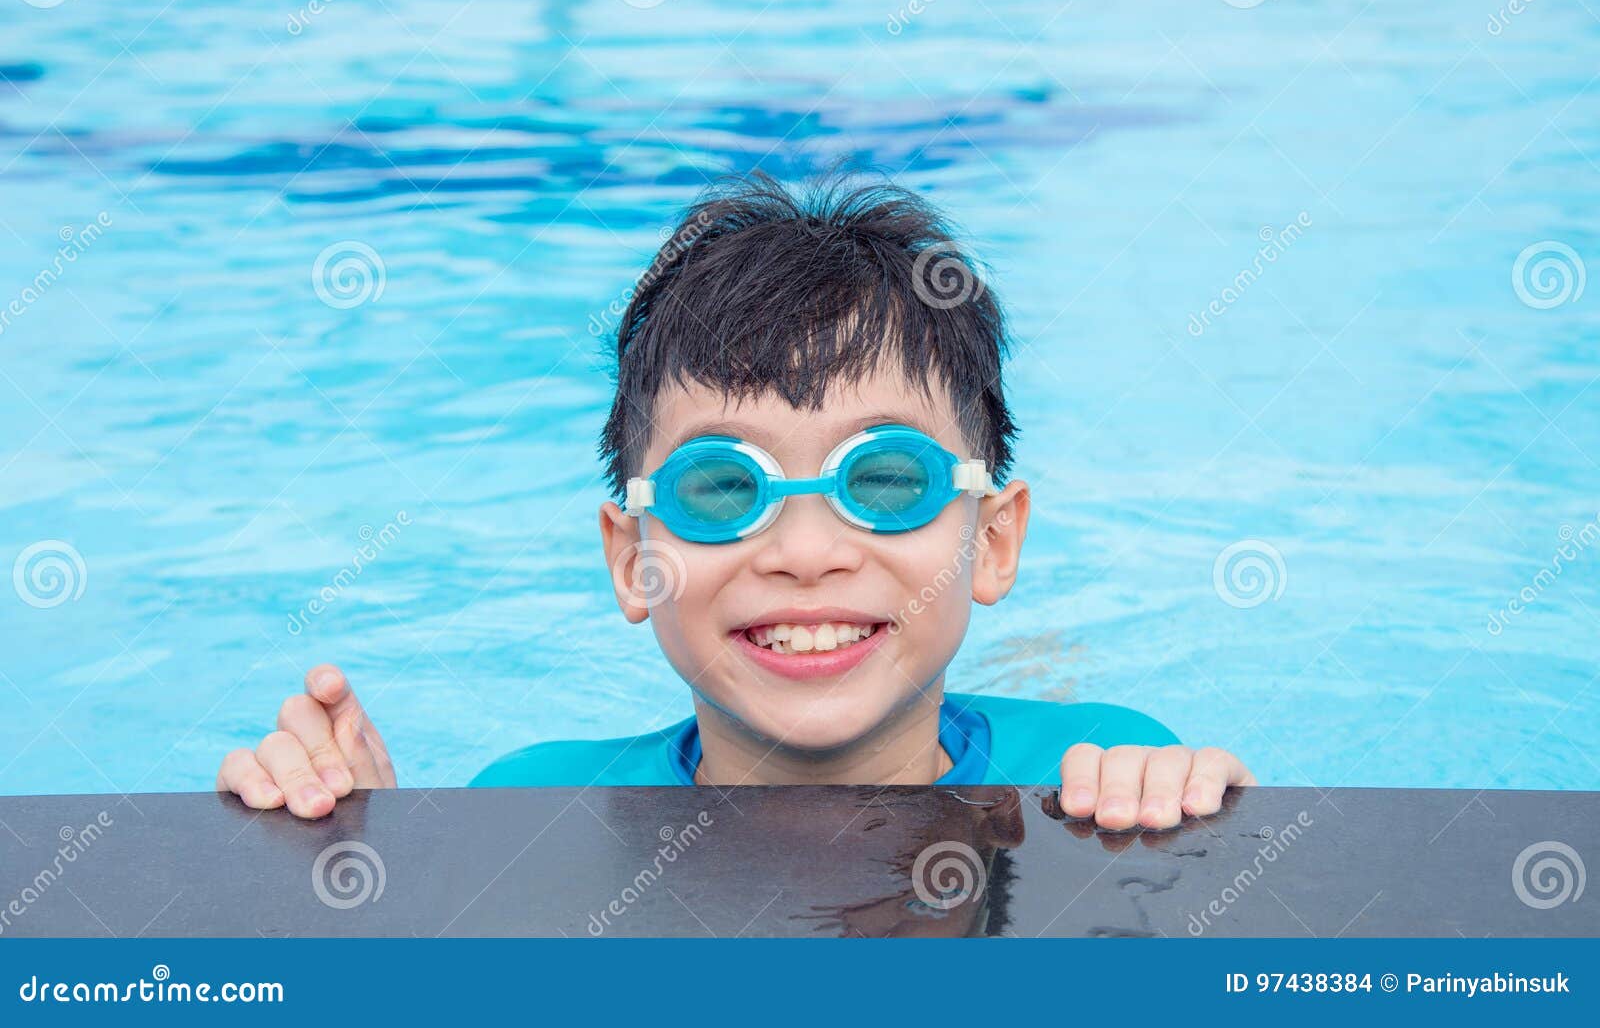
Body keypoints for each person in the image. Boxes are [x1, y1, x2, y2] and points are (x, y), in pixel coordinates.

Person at [216, 170, 1256, 831]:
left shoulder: (1091, 782)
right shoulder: (526, 814)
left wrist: (1192, 831)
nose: (805, 550)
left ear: (991, 540)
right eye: (723, 489)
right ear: (631, 560)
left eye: (883, 482)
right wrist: (385, 866)